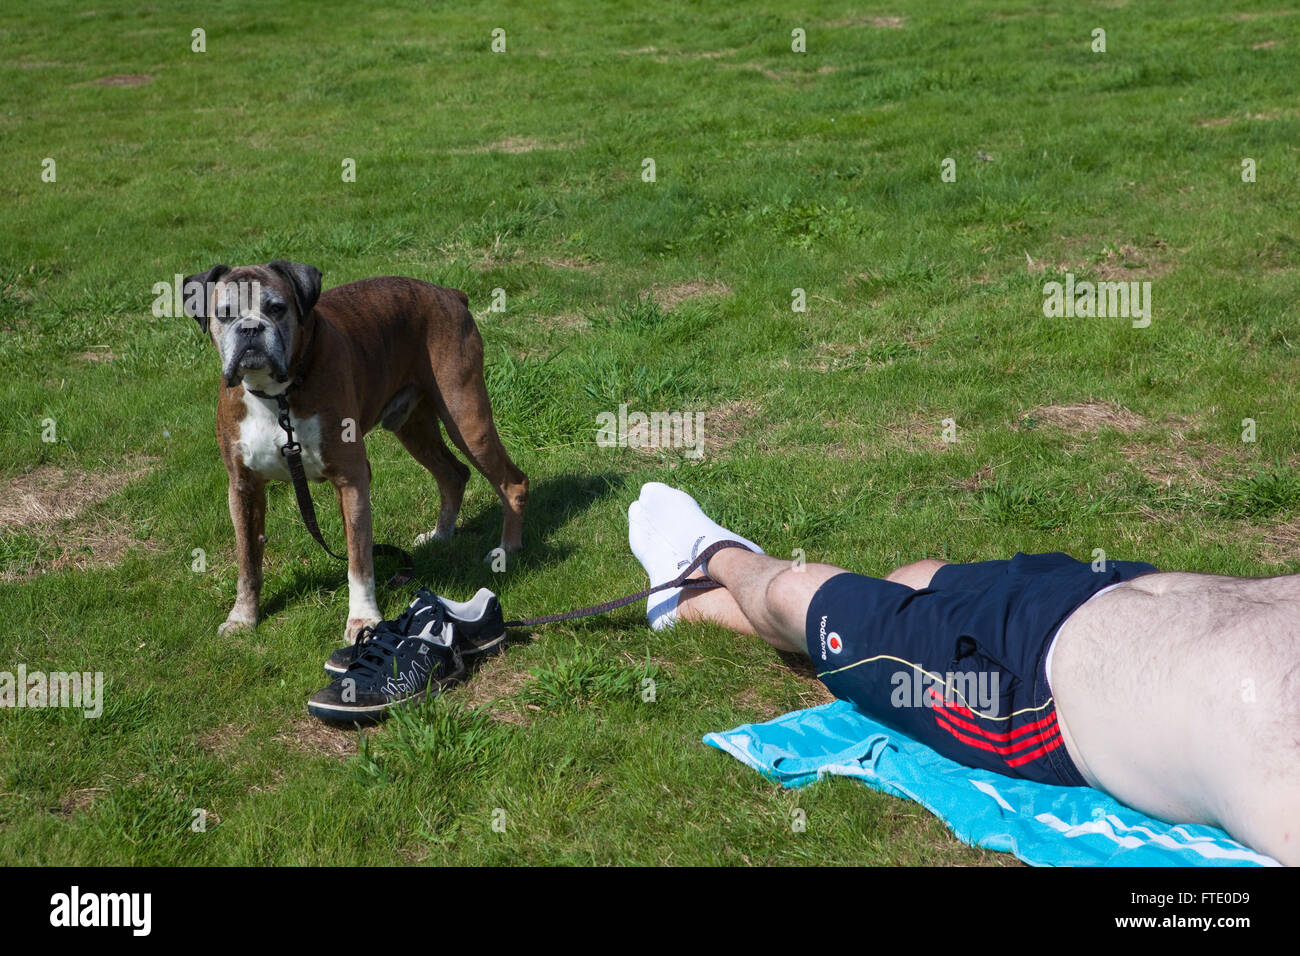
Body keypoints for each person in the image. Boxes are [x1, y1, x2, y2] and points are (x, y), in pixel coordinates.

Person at [626, 482, 1299, 866]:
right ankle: (687, 604)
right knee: (915, 577)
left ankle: (714, 556)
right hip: (1116, 590)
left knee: (803, 601)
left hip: (1026, 698)